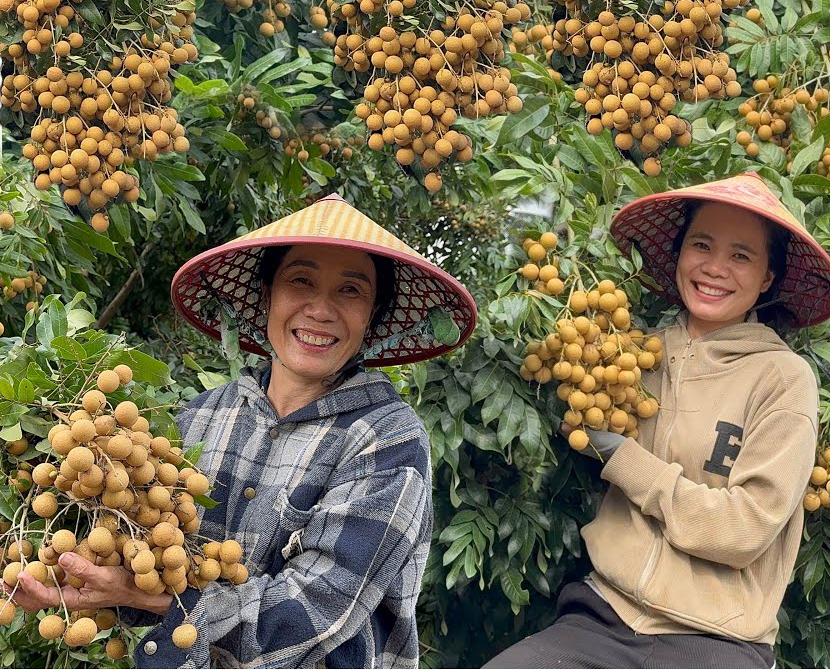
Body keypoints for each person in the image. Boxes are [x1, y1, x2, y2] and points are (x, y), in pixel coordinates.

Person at [3, 194, 476, 668]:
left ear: (372, 314)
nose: (320, 309)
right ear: (267, 294)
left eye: (351, 291)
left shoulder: (388, 440)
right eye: (300, 280)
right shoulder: (198, 418)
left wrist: (153, 599)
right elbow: (150, 564)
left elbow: (320, 609)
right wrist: (80, 580)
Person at [485, 172, 830, 668]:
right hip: (600, 617)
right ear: (678, 255)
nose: (715, 267)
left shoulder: (783, 378)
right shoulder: (627, 354)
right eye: (702, 244)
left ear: (766, 278)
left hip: (717, 642)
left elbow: (743, 532)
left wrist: (621, 456)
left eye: (741, 255)